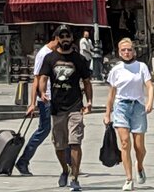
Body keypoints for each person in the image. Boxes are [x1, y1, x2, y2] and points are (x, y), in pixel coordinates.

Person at [39, 25, 93, 192]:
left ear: (72, 38)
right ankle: (64, 169)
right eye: (61, 37)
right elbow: (43, 77)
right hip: (57, 107)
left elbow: (86, 82)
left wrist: (89, 100)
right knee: (59, 145)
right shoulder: (50, 58)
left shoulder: (79, 59)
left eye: (67, 36)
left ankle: (75, 178)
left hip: (75, 106)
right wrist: (42, 92)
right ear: (58, 39)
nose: (65, 40)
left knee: (75, 142)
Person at [104, 37, 154, 192]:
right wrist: (107, 113)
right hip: (121, 107)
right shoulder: (116, 70)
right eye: (123, 50)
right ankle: (128, 179)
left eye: (129, 50)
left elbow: (149, 86)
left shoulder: (141, 67)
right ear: (119, 52)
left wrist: (150, 102)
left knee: (139, 147)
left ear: (134, 51)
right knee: (125, 143)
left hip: (138, 107)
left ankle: (139, 165)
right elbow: (111, 94)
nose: (126, 52)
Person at [16, 32, 58, 177]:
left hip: (58, 98)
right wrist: (32, 103)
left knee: (62, 129)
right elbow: (36, 80)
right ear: (56, 39)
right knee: (44, 130)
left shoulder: (58, 53)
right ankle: (23, 160)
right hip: (45, 99)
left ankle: (71, 164)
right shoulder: (43, 54)